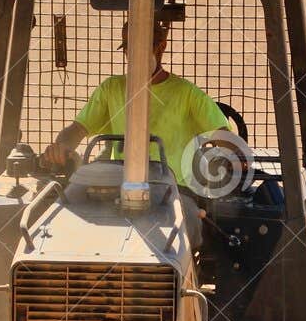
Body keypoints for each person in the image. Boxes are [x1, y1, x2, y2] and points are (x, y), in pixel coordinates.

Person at [44, 18, 242, 193]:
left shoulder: (187, 93)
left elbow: (223, 135)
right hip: (119, 187)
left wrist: (234, 154)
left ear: (162, 46)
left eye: (142, 47)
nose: (133, 54)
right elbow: (78, 129)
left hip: (174, 190)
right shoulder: (111, 89)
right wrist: (62, 146)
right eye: (129, 47)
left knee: (189, 220)